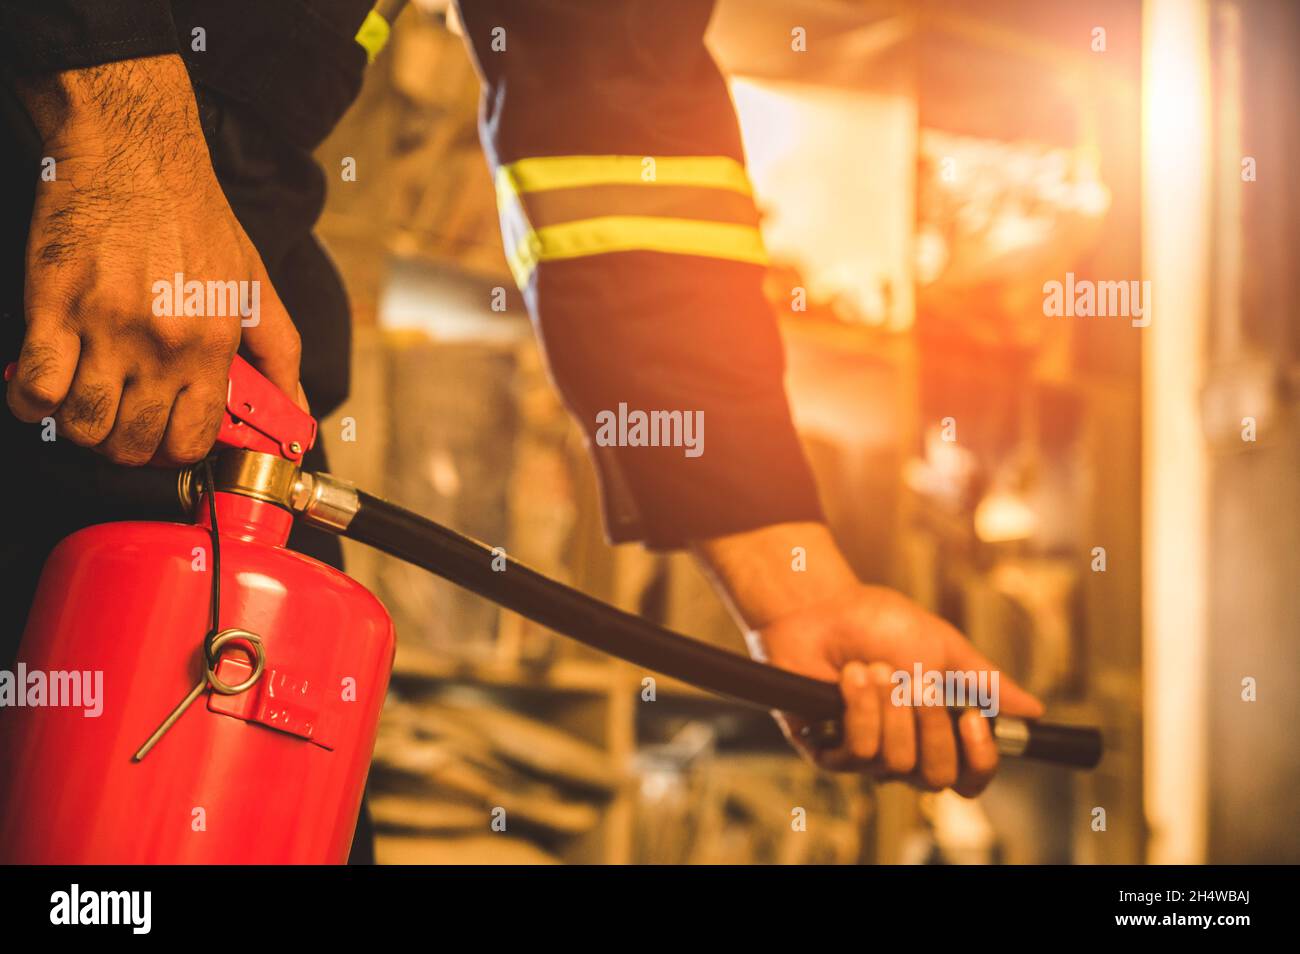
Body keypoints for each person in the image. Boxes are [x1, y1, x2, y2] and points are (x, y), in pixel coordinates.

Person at [0, 0, 1043, 861]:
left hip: (184, 324)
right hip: (92, 193)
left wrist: (800, 587)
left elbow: (616, 113)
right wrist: (118, 120)